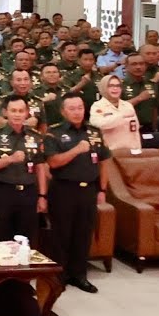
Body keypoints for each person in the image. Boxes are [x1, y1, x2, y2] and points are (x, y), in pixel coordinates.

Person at [44, 93, 111, 293]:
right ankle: (59, 276)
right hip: (63, 189)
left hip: (89, 189)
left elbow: (104, 162)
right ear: (63, 111)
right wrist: (76, 150)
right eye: (72, 108)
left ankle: (79, 275)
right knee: (61, 235)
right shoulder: (54, 133)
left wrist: (102, 189)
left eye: (80, 108)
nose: (77, 112)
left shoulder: (94, 132)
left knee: (84, 234)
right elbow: (53, 162)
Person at [0, 94, 48, 243]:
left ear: (27, 113)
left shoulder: (35, 136)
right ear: (5, 112)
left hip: (29, 192)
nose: (17, 114)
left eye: (21, 111)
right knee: (1, 237)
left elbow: (40, 167)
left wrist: (42, 196)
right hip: (4, 191)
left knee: (27, 239)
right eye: (13, 111)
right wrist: (10, 159)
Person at [88, 74, 141, 152]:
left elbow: (135, 130)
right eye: (111, 86)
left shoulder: (127, 105)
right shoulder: (97, 106)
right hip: (110, 152)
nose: (115, 88)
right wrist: (121, 116)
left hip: (131, 151)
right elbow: (99, 124)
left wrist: (138, 149)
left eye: (118, 86)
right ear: (103, 87)